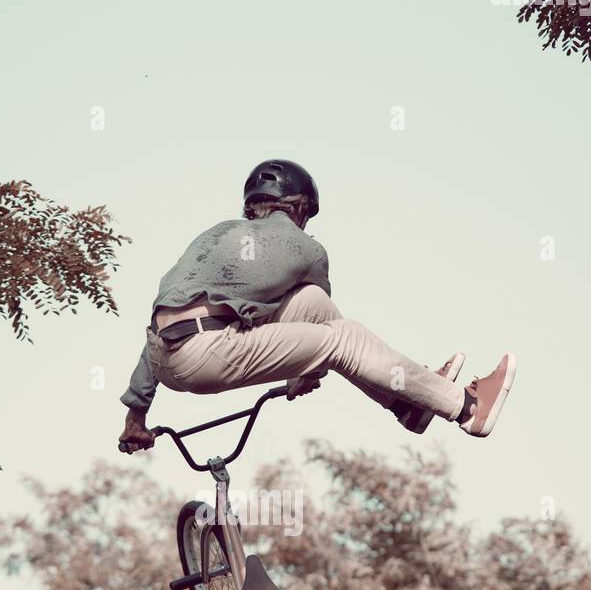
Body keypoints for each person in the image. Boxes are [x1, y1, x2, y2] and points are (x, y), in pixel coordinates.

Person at [118, 159, 516, 453]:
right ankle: (466, 408)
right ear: (299, 208)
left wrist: (135, 416)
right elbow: (330, 345)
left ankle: (408, 404)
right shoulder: (307, 249)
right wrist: (306, 369)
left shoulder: (217, 236)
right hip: (209, 354)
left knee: (312, 304)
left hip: (170, 352)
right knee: (345, 339)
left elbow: (162, 320)